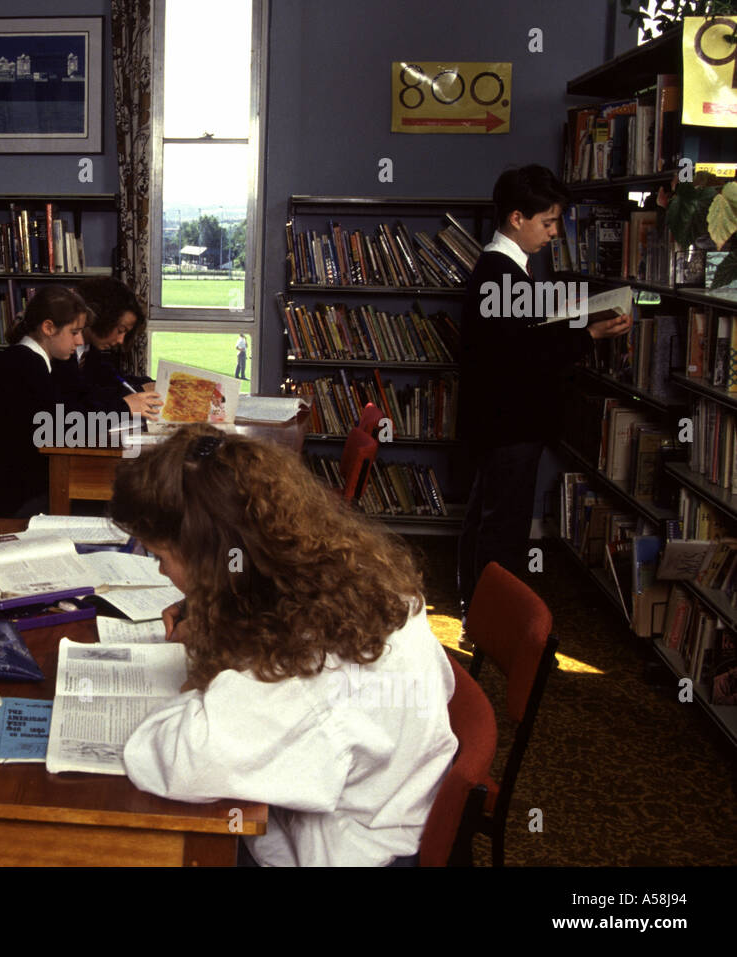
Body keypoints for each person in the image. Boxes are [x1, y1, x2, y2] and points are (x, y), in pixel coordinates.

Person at [110, 424, 457, 867]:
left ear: (211, 558)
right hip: (383, 807)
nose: (161, 574)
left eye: (161, 557)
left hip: (351, 852)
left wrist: (207, 654)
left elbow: (181, 760)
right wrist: (219, 620)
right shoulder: (347, 578)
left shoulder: (309, 669)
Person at [457, 165, 632, 616]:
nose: (554, 232)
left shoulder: (503, 268)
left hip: (498, 421)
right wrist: (589, 334)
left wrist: (580, 317)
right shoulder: (501, 273)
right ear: (517, 218)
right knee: (504, 525)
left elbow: (525, 326)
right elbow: (524, 350)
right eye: (548, 222)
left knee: (487, 517)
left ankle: (475, 604)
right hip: (510, 423)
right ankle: (495, 618)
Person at [0, 285, 100, 517]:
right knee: (103, 502)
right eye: (74, 332)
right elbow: (65, 427)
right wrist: (125, 408)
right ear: (48, 327)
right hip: (7, 502)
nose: (79, 341)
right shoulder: (22, 365)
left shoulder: (34, 360)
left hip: (19, 487)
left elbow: (70, 407)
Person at [52, 276, 162, 419]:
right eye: (120, 330)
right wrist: (136, 393)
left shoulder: (90, 350)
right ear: (103, 318)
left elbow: (112, 378)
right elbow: (85, 398)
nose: (121, 340)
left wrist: (147, 384)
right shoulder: (62, 350)